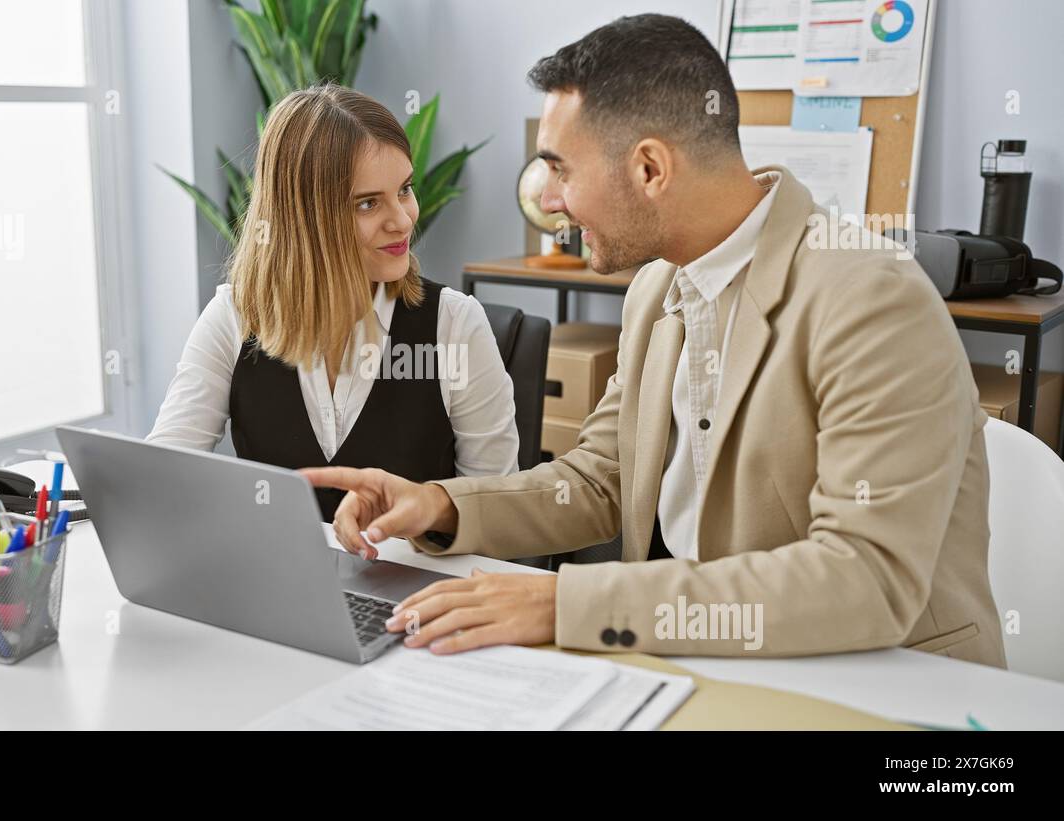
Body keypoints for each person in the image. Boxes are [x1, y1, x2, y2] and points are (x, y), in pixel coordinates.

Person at [304, 14, 1006, 668]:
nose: (548, 200)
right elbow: (598, 481)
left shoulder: (871, 299)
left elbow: (866, 577)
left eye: (561, 169)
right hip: (704, 665)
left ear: (648, 169)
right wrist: (442, 504)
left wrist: (568, 604)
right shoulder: (655, 291)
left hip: (884, 679)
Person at [147, 84, 519, 520]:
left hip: (417, 585)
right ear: (303, 219)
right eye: (367, 203)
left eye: (404, 189)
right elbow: (161, 480)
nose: (402, 220)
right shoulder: (234, 317)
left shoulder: (455, 324)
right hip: (277, 581)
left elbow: (497, 517)